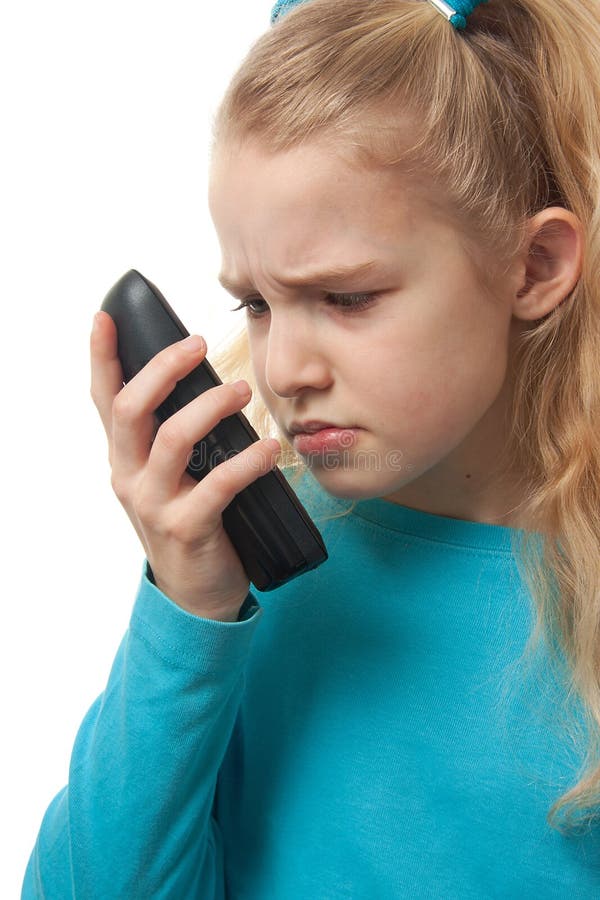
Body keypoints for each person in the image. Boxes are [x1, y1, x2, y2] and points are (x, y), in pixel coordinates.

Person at [22, 0, 600, 895]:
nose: (282, 369)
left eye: (346, 298)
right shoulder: (253, 576)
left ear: (535, 268)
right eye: (255, 303)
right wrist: (188, 610)